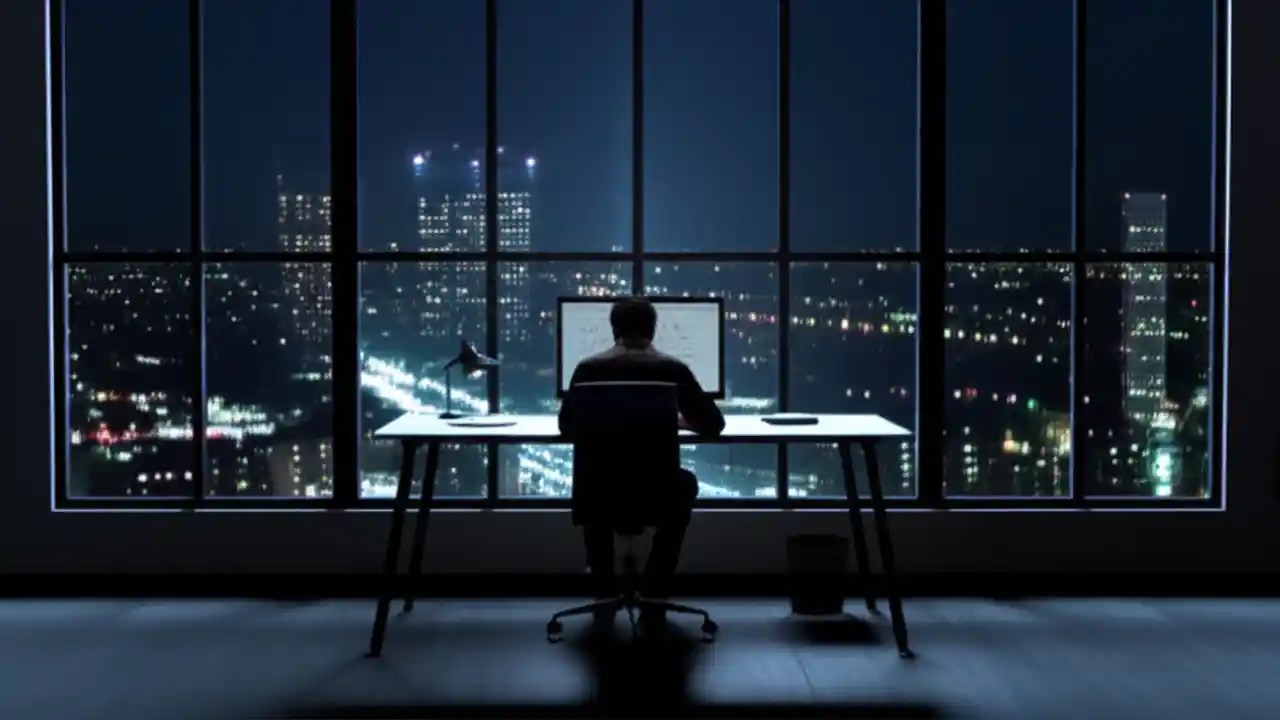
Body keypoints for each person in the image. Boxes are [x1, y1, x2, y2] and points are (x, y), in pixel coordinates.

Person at [558, 296, 725, 625]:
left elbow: (567, 427)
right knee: (684, 483)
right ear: (653, 328)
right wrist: (675, 420)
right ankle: (656, 586)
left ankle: (604, 589)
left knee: (594, 477)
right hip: (656, 493)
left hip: (600, 494)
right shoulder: (672, 368)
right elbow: (713, 425)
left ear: (613, 328)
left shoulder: (588, 368)